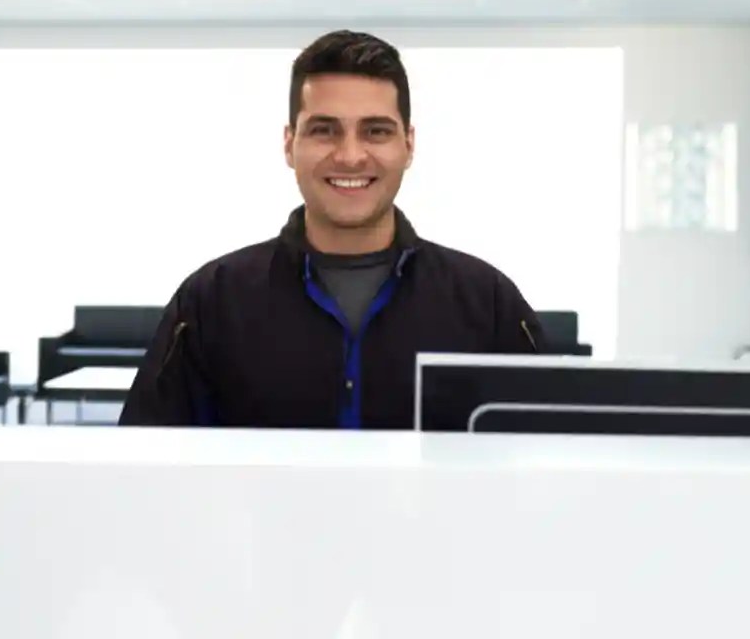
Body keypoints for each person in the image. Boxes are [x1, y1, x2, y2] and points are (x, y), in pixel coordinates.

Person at [119, 30, 543, 428]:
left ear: (408, 145)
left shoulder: (487, 302)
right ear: (290, 144)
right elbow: (143, 462)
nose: (351, 156)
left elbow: (554, 456)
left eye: (376, 131)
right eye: (325, 131)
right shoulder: (212, 300)